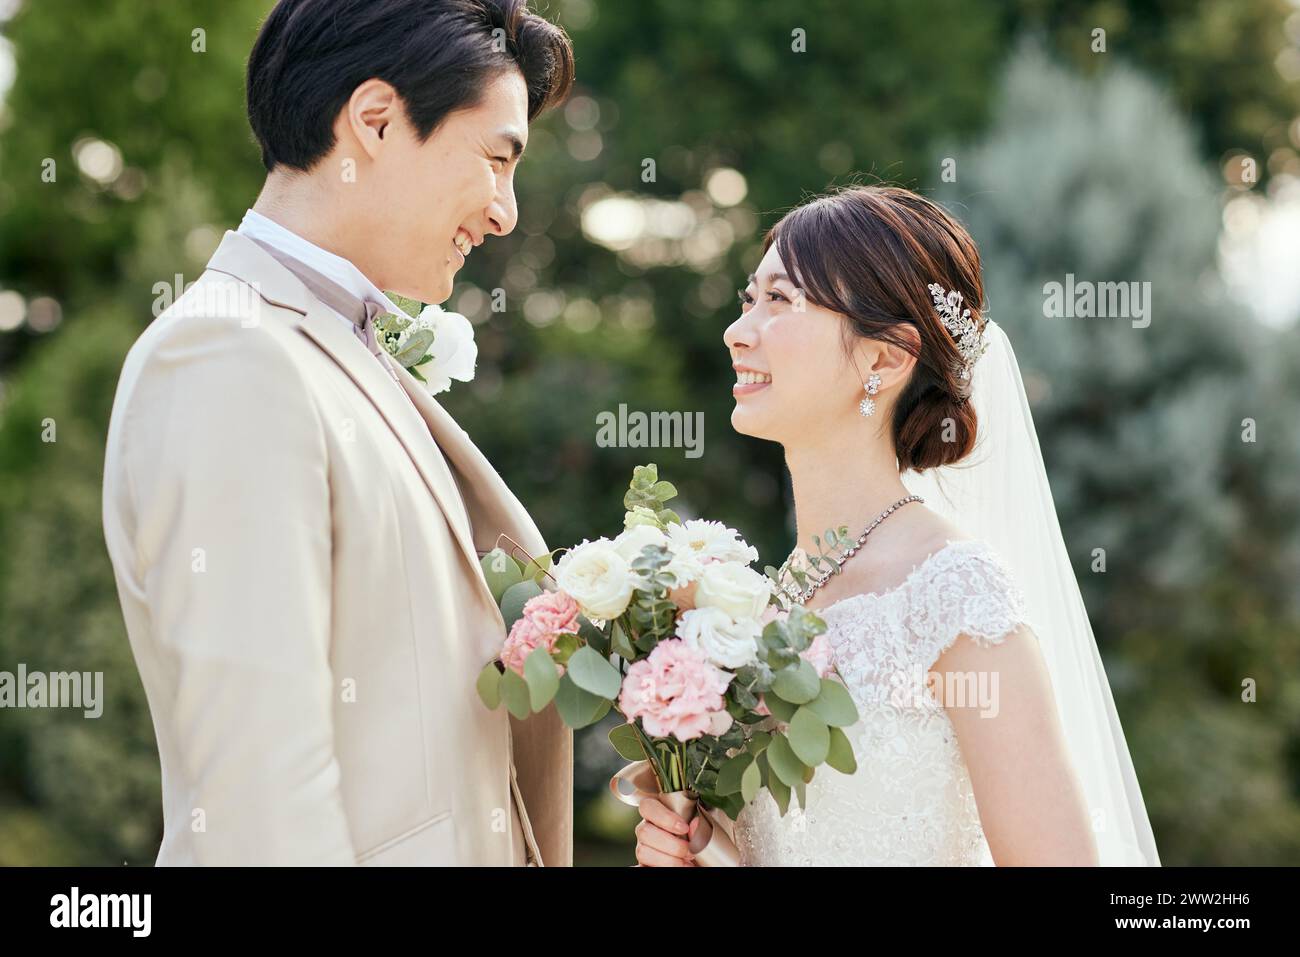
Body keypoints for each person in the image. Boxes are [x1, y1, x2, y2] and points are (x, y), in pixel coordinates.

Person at [101, 0, 574, 866]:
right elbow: (259, 798)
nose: (505, 212)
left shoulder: (326, 344)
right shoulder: (226, 356)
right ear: (377, 121)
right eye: (498, 160)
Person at [633, 185, 1161, 866]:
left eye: (782, 300)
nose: (739, 330)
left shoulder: (955, 594)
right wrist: (705, 850)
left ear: (884, 359)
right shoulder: (771, 597)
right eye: (749, 298)